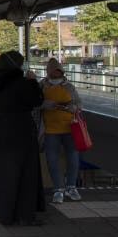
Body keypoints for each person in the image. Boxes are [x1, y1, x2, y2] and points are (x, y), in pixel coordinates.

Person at [0, 50, 46, 226]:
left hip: (1, 128)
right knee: (25, 172)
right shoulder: (21, 83)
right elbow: (36, 101)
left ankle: (2, 212)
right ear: (15, 65)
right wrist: (33, 82)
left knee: (3, 171)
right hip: (21, 129)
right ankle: (24, 214)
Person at [40, 58, 83, 204]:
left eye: (59, 71)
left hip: (70, 127)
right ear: (49, 72)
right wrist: (44, 104)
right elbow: (34, 102)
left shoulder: (69, 87)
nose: (57, 74)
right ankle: (58, 188)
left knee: (73, 157)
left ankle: (71, 186)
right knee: (52, 159)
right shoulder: (42, 86)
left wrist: (74, 108)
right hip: (50, 129)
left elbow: (78, 103)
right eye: (54, 71)